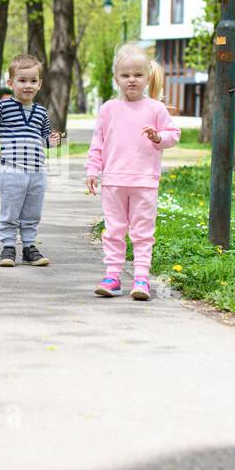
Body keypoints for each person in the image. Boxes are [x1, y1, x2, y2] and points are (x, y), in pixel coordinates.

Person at [85, 45, 180, 299]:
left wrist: (158, 137)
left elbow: (174, 135)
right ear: (116, 78)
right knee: (114, 229)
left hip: (145, 181)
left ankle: (141, 279)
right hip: (114, 181)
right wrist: (93, 170)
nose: (131, 80)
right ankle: (112, 277)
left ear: (148, 77)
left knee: (142, 232)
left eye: (137, 75)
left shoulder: (155, 109)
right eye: (125, 75)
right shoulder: (108, 109)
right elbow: (98, 143)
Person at [0, 55, 63, 267]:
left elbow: (43, 139)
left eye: (33, 81)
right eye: (22, 80)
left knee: (32, 212)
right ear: (11, 83)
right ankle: (8, 248)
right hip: (12, 170)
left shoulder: (41, 111)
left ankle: (29, 247)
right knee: (11, 211)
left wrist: (53, 141)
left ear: (40, 84)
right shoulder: (3, 107)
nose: (28, 85)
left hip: (37, 171)